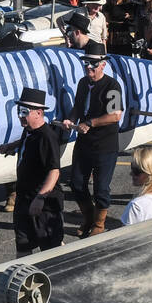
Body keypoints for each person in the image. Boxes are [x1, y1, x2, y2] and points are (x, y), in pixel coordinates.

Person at [59, 41, 123, 238]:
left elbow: (115, 115)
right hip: (84, 142)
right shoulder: (82, 83)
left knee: (101, 188)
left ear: (103, 64)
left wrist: (91, 123)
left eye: (93, 64)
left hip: (105, 144)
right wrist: (70, 118)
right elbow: (78, 107)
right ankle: (88, 216)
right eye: (86, 63)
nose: (89, 67)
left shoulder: (112, 85)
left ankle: (99, 222)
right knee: (77, 183)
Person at [0, 88, 64, 255]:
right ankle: (25, 279)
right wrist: (11, 146)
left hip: (44, 204)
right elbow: (26, 140)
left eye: (24, 112)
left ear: (39, 113)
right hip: (23, 199)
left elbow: (54, 171)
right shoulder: (28, 129)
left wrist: (40, 198)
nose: (20, 115)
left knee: (49, 251)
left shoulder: (47, 137)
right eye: (19, 111)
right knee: (23, 246)